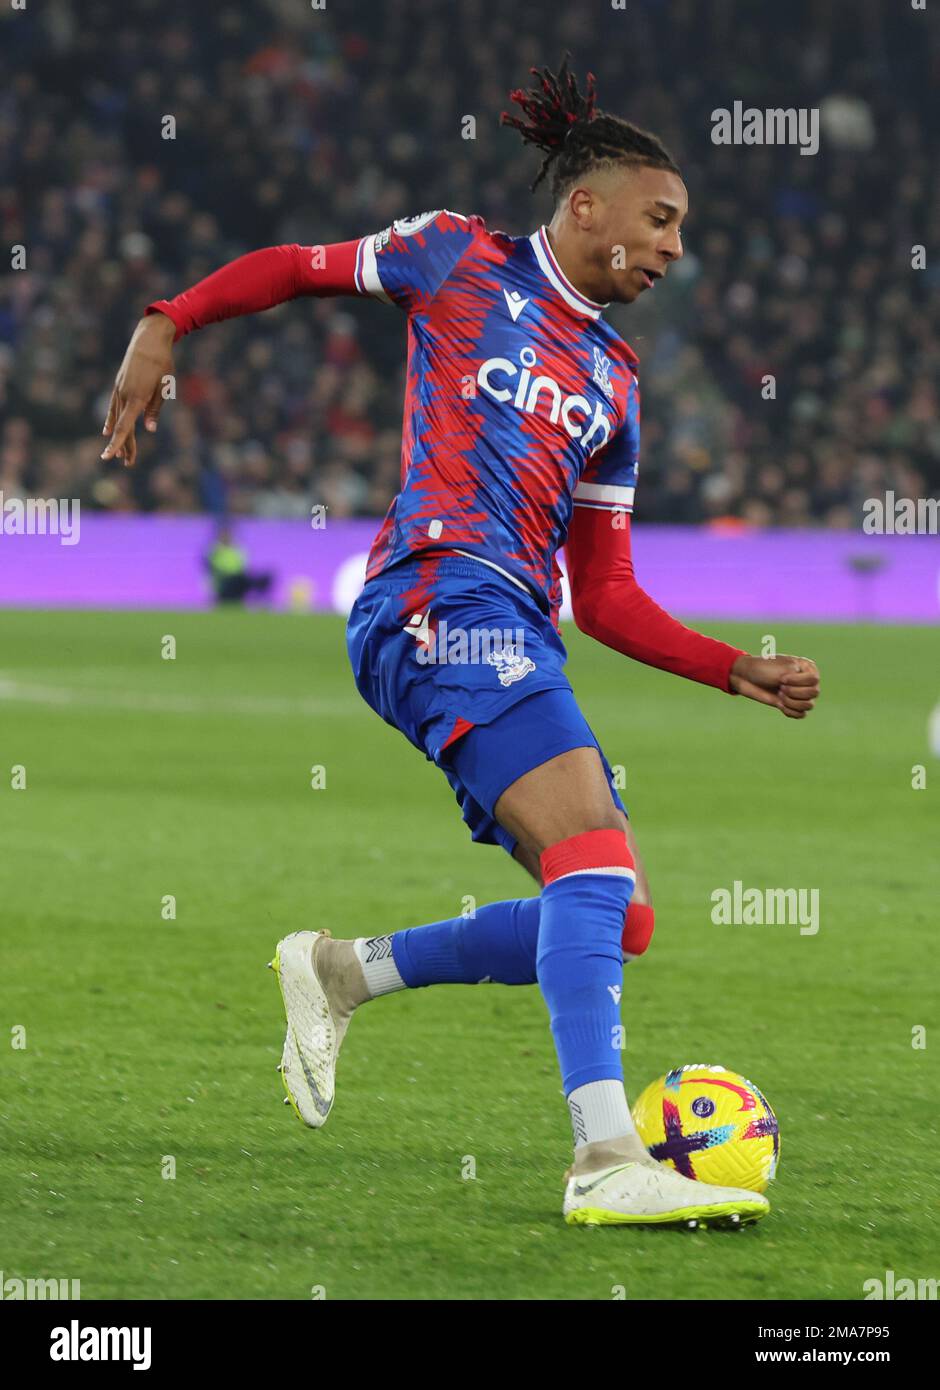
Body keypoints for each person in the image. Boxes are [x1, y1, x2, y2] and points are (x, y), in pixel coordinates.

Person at [102, 59, 819, 1228]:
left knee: (614, 911)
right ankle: (602, 1156)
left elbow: (606, 591)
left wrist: (727, 663)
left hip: (515, 621)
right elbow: (294, 268)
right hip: (436, 597)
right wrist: (166, 318)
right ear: (586, 204)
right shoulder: (455, 256)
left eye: (681, 231)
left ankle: (343, 971)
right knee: (592, 858)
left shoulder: (615, 380)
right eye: (661, 218)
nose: (675, 247)